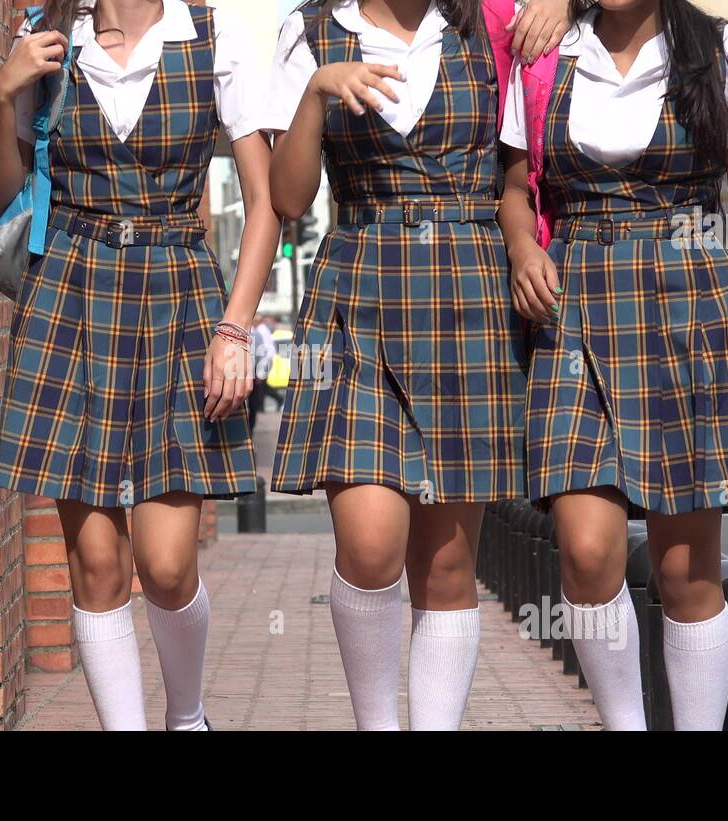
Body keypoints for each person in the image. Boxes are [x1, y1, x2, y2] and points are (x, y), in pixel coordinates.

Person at [498, 0, 728, 730]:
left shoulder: (720, 50)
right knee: (585, 555)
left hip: (689, 310)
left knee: (684, 571)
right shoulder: (551, 51)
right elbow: (517, 190)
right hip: (572, 305)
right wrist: (523, 248)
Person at [263, 0, 571, 730]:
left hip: (469, 291)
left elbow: (515, 175)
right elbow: (287, 197)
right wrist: (315, 94)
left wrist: (562, 3)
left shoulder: (492, 22)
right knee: (369, 547)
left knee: (445, 565)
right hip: (359, 284)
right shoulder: (308, 31)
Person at [0, 0, 281, 730]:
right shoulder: (49, 33)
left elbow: (267, 203)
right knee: (97, 563)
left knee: (168, 564)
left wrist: (234, 328)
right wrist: (5, 93)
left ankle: (187, 714)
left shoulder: (211, 34)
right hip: (71, 298)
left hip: (178, 293)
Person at [248, 315, 280, 431]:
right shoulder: (256, 331)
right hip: (254, 369)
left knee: (255, 399)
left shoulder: (260, 332)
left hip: (255, 369)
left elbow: (265, 353)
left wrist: (261, 372)